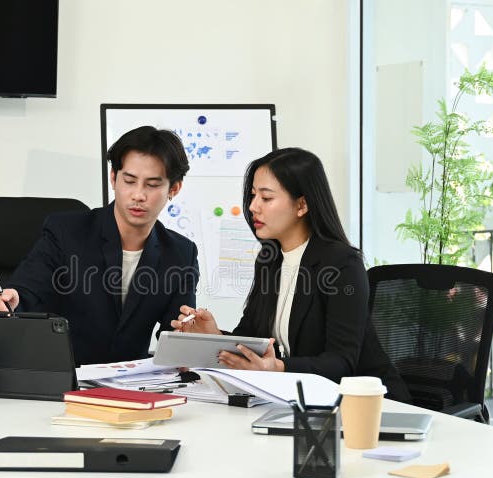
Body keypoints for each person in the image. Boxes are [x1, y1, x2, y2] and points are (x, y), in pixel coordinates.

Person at [171, 147, 409, 401]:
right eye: (253, 196)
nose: (252, 207)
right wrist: (214, 336)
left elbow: (341, 363)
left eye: (266, 198)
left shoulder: (342, 264)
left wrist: (279, 368)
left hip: (368, 406)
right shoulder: (270, 260)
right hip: (300, 401)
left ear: (302, 205)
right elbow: (254, 337)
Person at [0, 126, 199, 365]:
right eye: (129, 181)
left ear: (174, 189)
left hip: (130, 387)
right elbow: (28, 289)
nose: (138, 195)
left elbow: (177, 334)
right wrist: (12, 300)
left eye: (152, 185)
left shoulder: (181, 253)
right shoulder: (66, 232)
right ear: (114, 178)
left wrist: (190, 337)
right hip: (62, 381)